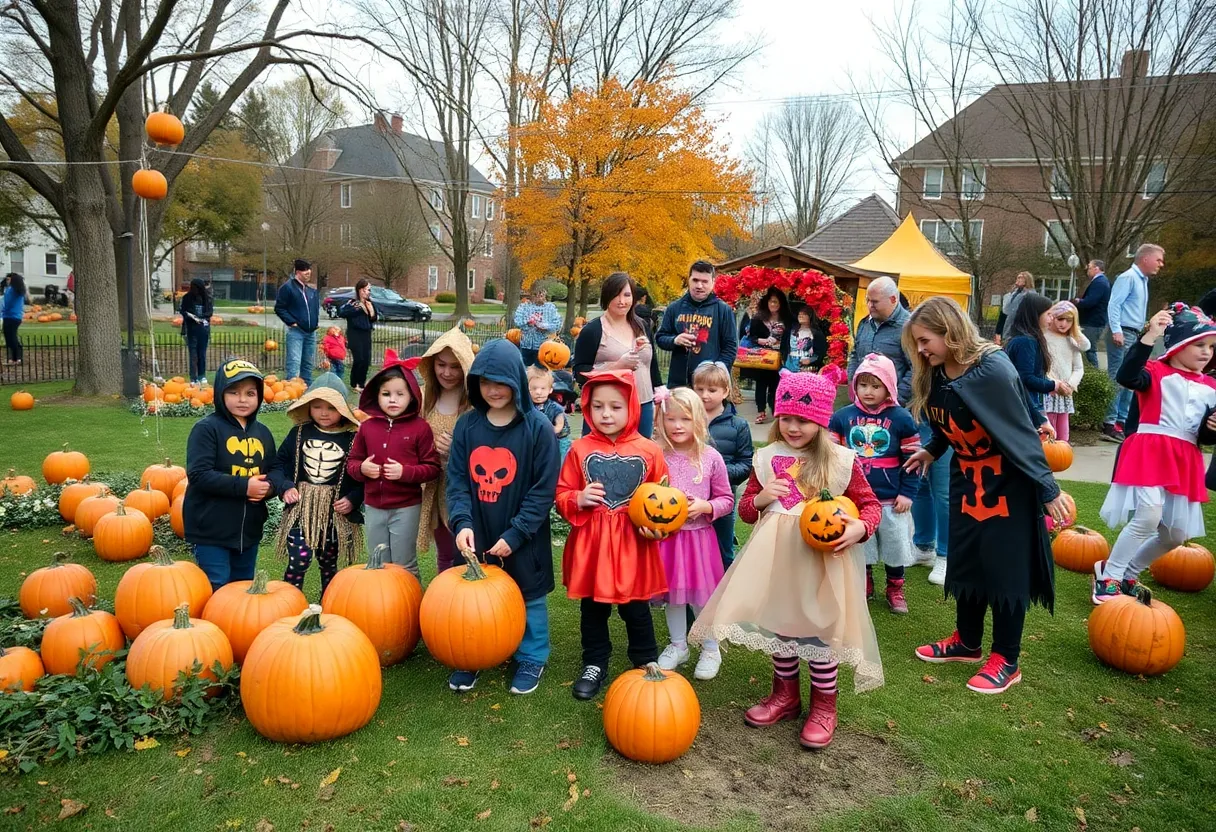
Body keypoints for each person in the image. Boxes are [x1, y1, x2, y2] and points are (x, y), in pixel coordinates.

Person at [689, 371, 883, 749]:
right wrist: (761, 498)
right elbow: (746, 511)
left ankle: (824, 706)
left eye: (804, 420)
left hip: (822, 563)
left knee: (819, 632)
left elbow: (871, 504)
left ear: (821, 421)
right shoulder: (767, 458)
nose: (793, 427)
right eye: (787, 418)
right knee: (781, 627)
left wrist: (860, 527)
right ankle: (786, 696)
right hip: (777, 560)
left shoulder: (842, 461)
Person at [903, 298, 1068, 695]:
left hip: (1006, 485)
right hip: (968, 482)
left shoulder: (991, 367)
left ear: (949, 330)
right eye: (917, 344)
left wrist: (1047, 487)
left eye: (925, 341)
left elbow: (1016, 428)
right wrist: (933, 448)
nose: (921, 351)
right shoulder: (940, 371)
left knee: (1004, 569)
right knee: (968, 560)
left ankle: (1007, 659)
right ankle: (967, 642)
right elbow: (957, 419)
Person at [446, 340, 560, 696]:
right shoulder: (467, 426)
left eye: (500, 381)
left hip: (523, 535)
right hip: (479, 528)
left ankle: (532, 655)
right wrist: (462, 522)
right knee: (476, 596)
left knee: (529, 594)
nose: (493, 390)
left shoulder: (538, 428)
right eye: (484, 381)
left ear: (516, 382)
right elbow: (458, 481)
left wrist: (517, 534)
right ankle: (475, 652)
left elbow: (543, 490)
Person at [1091, 304, 1216, 604]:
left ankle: (1128, 571)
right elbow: (1126, 376)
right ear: (1178, 345)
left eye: (1211, 346)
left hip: (1185, 458)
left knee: (1175, 533)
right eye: (1199, 344)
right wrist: (1149, 336)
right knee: (1148, 516)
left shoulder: (1212, 386)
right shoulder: (1154, 372)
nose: (1206, 352)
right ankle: (1109, 576)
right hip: (1150, 450)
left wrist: (1212, 428)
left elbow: (1205, 435)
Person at [557, 370, 668, 700]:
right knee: (592, 610)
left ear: (632, 406)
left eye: (616, 407)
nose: (606, 414)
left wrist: (657, 529)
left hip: (632, 545)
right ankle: (594, 661)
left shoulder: (650, 451)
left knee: (636, 608)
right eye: (598, 407)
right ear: (588, 409)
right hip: (593, 545)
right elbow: (562, 492)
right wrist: (577, 498)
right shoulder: (579, 449)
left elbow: (666, 500)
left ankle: (645, 660)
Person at [829, 353, 922, 614]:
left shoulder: (902, 418)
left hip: (892, 500)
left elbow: (913, 460)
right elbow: (831, 456)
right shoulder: (842, 417)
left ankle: (895, 587)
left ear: (889, 387)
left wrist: (907, 493)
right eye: (863, 384)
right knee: (862, 547)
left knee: (895, 547)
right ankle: (864, 582)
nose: (868, 391)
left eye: (876, 385)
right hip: (854, 501)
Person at [653, 388, 735, 680]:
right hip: (668, 541)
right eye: (671, 418)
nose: (677, 426)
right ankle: (678, 645)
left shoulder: (710, 457)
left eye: (685, 419)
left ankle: (710, 647)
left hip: (699, 539)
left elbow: (727, 499)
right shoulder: (657, 456)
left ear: (698, 420)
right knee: (673, 596)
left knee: (702, 597)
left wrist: (706, 505)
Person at [184, 359, 278, 592]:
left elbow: (274, 471)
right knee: (216, 585)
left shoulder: (263, 433)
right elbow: (199, 474)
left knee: (243, 586)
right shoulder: (207, 429)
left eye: (250, 393)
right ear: (220, 394)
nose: (243, 399)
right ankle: (212, 628)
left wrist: (271, 488)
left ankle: (237, 630)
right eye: (234, 392)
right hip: (211, 529)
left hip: (249, 531)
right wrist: (244, 486)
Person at [346, 349, 441, 578]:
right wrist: (362, 469)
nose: (392, 399)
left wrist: (404, 472)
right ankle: (382, 612)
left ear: (411, 396)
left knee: (403, 564)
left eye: (400, 394)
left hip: (406, 507)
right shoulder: (367, 428)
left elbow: (433, 468)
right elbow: (352, 463)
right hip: (374, 506)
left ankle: (410, 611)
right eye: (386, 393)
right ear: (376, 397)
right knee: (378, 562)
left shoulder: (420, 428)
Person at [269, 373, 364, 597]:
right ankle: (290, 602)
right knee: (298, 560)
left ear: (342, 409)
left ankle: (329, 604)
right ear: (309, 406)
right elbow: (278, 464)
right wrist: (285, 487)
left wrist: (353, 499)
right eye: (317, 406)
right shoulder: (299, 433)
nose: (323, 413)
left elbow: (365, 477)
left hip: (334, 513)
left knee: (329, 563)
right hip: (302, 509)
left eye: (331, 408)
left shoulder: (354, 439)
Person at [572, 272, 663, 438]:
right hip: (608, 408)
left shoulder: (641, 325)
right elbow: (579, 372)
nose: (622, 301)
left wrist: (659, 388)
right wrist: (618, 366)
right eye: (616, 295)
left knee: (639, 456)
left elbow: (652, 363)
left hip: (643, 403)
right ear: (607, 297)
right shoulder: (593, 331)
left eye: (627, 295)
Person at [414, 327, 475, 575]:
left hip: (461, 489)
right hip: (432, 486)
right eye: (441, 365)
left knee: (464, 549)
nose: (447, 373)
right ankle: (444, 604)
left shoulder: (474, 403)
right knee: (445, 553)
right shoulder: (423, 397)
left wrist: (455, 451)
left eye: (454, 366)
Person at [694, 361, 753, 568]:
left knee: (722, 548)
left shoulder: (738, 425)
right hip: (690, 497)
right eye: (699, 389)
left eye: (712, 390)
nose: (704, 395)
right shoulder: (686, 420)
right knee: (691, 549)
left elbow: (745, 465)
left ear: (725, 391)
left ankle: (724, 591)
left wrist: (716, 473)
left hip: (722, 498)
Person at [1103, 244, 1164, 443]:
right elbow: (1114, 304)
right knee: (1118, 377)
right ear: (1145, 259)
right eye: (1158, 260)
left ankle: (1122, 419)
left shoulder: (1142, 280)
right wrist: (1117, 330)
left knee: (1130, 378)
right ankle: (1110, 423)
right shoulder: (1128, 277)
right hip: (1123, 332)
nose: (1161, 265)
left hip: (1134, 332)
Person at [656, 260, 738, 388]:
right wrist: (674, 340)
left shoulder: (723, 310)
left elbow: (730, 347)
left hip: (709, 385)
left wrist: (717, 373)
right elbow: (660, 338)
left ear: (713, 283)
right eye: (695, 280)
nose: (699, 286)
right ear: (689, 280)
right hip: (679, 384)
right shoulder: (674, 308)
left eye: (705, 281)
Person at [848, 277, 912, 404]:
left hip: (895, 408)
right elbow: (855, 355)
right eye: (868, 300)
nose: (870, 305)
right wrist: (853, 385)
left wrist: (896, 400)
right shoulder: (864, 323)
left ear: (893, 299)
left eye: (875, 302)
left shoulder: (909, 327)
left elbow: (916, 370)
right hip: (862, 405)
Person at [1042, 301, 1089, 443]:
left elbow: (1078, 368)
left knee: (1063, 434)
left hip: (1065, 392)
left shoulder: (1072, 341)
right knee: (1047, 431)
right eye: (1060, 319)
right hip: (1048, 390)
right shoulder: (1044, 337)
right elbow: (1041, 365)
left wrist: (1070, 384)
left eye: (1069, 320)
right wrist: (1052, 383)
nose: (1064, 324)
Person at [745, 287, 793, 424]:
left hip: (779, 358)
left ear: (781, 304)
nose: (773, 305)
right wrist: (761, 340)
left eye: (776, 302)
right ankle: (760, 411)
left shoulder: (787, 320)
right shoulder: (758, 318)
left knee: (776, 385)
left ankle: (775, 411)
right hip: (761, 357)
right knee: (760, 385)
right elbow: (750, 337)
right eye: (771, 302)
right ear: (766, 302)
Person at [1003, 293, 1059, 412]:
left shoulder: (1025, 339)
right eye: (1048, 314)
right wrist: (1054, 385)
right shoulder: (1025, 342)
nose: (1052, 319)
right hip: (1024, 407)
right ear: (1035, 315)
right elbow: (1026, 378)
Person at [275, 258, 321, 384]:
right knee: (294, 362)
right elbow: (280, 308)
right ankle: (292, 389)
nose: (308, 275)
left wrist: (315, 323)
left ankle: (307, 389)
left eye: (309, 273)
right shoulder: (287, 288)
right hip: (296, 331)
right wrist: (292, 322)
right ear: (297, 272)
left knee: (308, 363)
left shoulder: (311, 290)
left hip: (311, 332)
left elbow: (315, 309)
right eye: (305, 273)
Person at [339, 280, 378, 390]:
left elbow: (374, 318)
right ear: (359, 290)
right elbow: (342, 313)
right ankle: (354, 382)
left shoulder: (370, 303)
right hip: (355, 334)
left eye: (369, 290)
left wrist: (371, 311)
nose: (367, 292)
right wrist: (359, 309)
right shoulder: (352, 303)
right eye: (365, 289)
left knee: (366, 359)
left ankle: (361, 383)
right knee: (359, 358)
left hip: (366, 333)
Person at [528, 365, 570, 459]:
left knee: (559, 461)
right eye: (534, 388)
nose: (538, 392)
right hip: (537, 440)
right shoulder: (527, 407)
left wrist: (544, 433)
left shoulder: (555, 408)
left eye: (543, 388)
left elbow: (559, 426)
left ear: (550, 389)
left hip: (558, 440)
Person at [513, 286, 561, 367]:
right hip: (526, 345)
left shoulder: (551, 308)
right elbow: (517, 321)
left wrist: (545, 327)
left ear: (545, 296)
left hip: (543, 346)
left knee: (540, 372)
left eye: (541, 295)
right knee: (525, 371)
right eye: (536, 295)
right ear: (532, 296)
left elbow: (557, 324)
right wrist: (527, 323)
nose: (539, 298)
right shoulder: (524, 307)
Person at [1073, 260, 1109, 367]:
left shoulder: (1099, 282)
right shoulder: (1101, 281)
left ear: (1096, 268)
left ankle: (1095, 373)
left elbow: (1091, 301)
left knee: (1089, 349)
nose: (1087, 270)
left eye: (1089, 268)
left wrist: (1078, 301)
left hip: (1093, 322)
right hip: (1094, 321)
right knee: (1087, 349)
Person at [179, 278, 213, 384]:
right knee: (193, 354)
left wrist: (202, 318)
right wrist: (190, 316)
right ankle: (193, 377)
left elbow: (209, 312)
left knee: (201, 353)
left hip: (203, 329)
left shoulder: (207, 298)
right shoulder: (187, 298)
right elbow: (183, 311)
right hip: (191, 329)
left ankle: (202, 375)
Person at [994, 271, 1036, 345]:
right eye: (1018, 277)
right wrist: (998, 332)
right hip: (1007, 332)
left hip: (1021, 333)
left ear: (1027, 280)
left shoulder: (1031, 296)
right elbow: (1004, 313)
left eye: (1021, 277)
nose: (1018, 279)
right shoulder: (1012, 295)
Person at [785, 305, 826, 373]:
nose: (800, 316)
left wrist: (810, 360)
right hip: (790, 366)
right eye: (799, 314)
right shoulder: (791, 331)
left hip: (807, 369)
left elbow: (821, 352)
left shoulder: (817, 333)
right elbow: (785, 347)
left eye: (804, 314)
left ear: (810, 316)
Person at [2, 272, 26, 366]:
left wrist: (4, 309)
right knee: (9, 337)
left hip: (13, 316)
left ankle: (17, 358)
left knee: (12, 337)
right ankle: (13, 358)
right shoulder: (10, 289)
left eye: (9, 279)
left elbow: (9, 303)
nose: (7, 281)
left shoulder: (15, 290)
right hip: (8, 316)